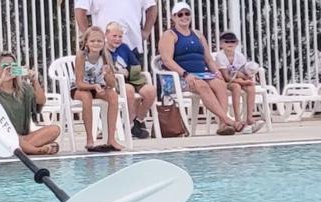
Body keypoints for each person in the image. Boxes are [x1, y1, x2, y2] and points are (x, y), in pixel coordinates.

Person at [158, 2, 242, 135]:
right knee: (202, 86)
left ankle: (222, 125)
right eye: (180, 14)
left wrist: (216, 72)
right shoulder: (169, 35)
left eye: (187, 13)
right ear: (173, 17)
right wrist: (185, 74)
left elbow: (208, 58)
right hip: (179, 77)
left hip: (202, 74)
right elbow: (167, 60)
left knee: (220, 84)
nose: (184, 17)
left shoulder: (198, 34)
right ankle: (227, 120)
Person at [0, 52, 60, 155]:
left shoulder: (25, 89)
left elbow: (41, 101)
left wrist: (35, 81)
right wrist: (2, 79)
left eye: (13, 66)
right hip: (3, 138)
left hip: (23, 138)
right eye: (5, 66)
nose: (9, 68)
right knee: (15, 138)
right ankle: (36, 150)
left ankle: (21, 149)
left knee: (54, 129)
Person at [73, 27, 123, 152]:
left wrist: (107, 75)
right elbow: (79, 83)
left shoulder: (106, 56)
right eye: (93, 41)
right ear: (86, 43)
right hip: (81, 89)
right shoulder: (81, 56)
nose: (96, 44)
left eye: (99, 41)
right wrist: (93, 86)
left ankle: (111, 139)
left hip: (98, 87)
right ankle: (90, 138)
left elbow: (111, 85)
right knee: (86, 97)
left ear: (104, 42)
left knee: (113, 96)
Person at [105, 22, 157, 139]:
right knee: (128, 90)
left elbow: (135, 65)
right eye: (114, 36)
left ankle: (138, 120)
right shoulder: (103, 51)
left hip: (132, 79)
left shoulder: (124, 48)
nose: (117, 39)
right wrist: (119, 73)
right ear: (107, 35)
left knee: (150, 90)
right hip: (116, 82)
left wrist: (129, 71)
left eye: (120, 36)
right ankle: (129, 124)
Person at [75, 0, 157, 65]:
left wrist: (146, 31)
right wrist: (89, 36)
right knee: (109, 83)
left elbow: (152, 7)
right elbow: (80, 10)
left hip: (133, 45)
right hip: (104, 49)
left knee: (134, 80)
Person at [214, 31, 265, 134]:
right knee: (236, 87)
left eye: (232, 41)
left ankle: (249, 117)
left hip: (235, 79)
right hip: (223, 81)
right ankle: (238, 119)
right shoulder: (220, 56)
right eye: (226, 41)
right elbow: (226, 77)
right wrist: (243, 81)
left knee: (251, 87)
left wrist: (248, 77)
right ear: (221, 44)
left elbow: (242, 73)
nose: (230, 44)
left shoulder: (240, 56)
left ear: (237, 43)